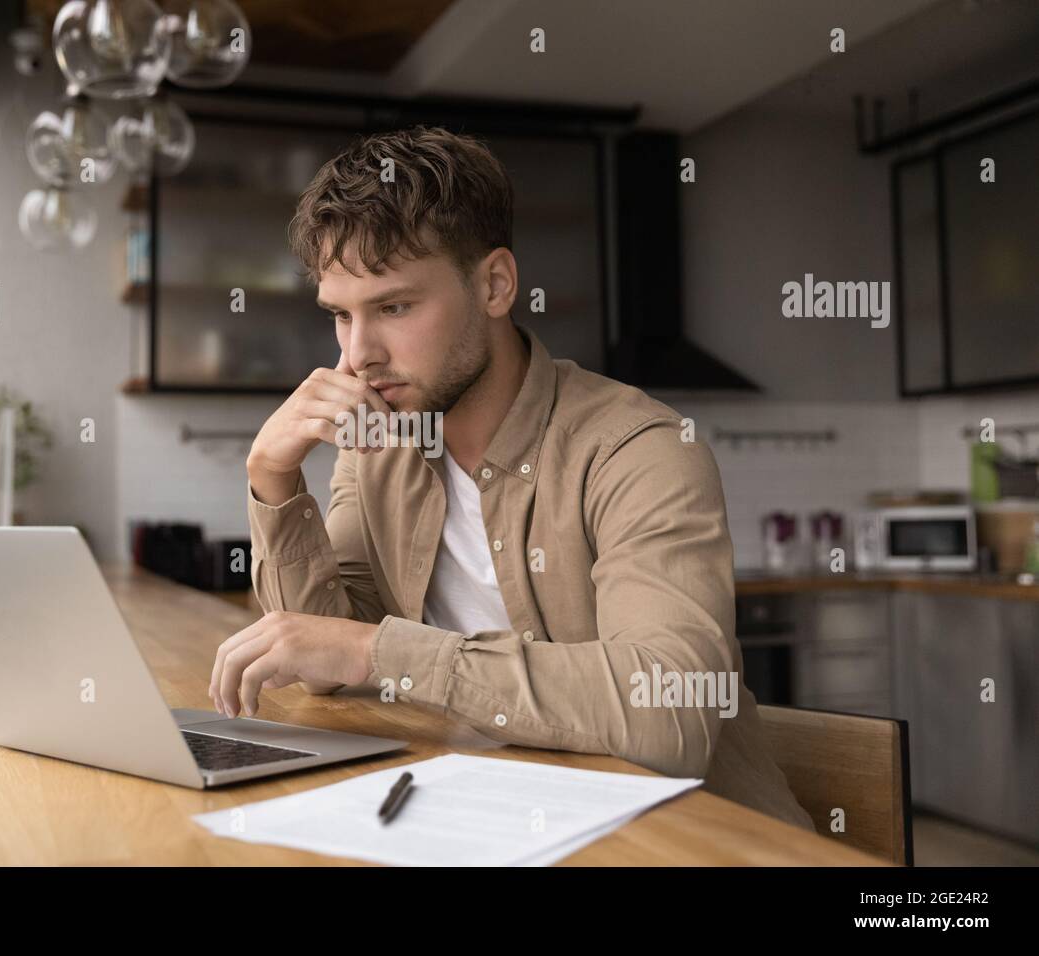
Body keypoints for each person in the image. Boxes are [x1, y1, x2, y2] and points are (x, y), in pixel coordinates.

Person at [208, 125, 814, 831]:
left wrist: (380, 651)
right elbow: (326, 660)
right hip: (511, 820)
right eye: (341, 315)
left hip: (695, 842)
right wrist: (273, 478)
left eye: (395, 307)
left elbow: (666, 716)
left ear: (495, 284)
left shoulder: (638, 450)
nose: (358, 355)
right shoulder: (379, 448)